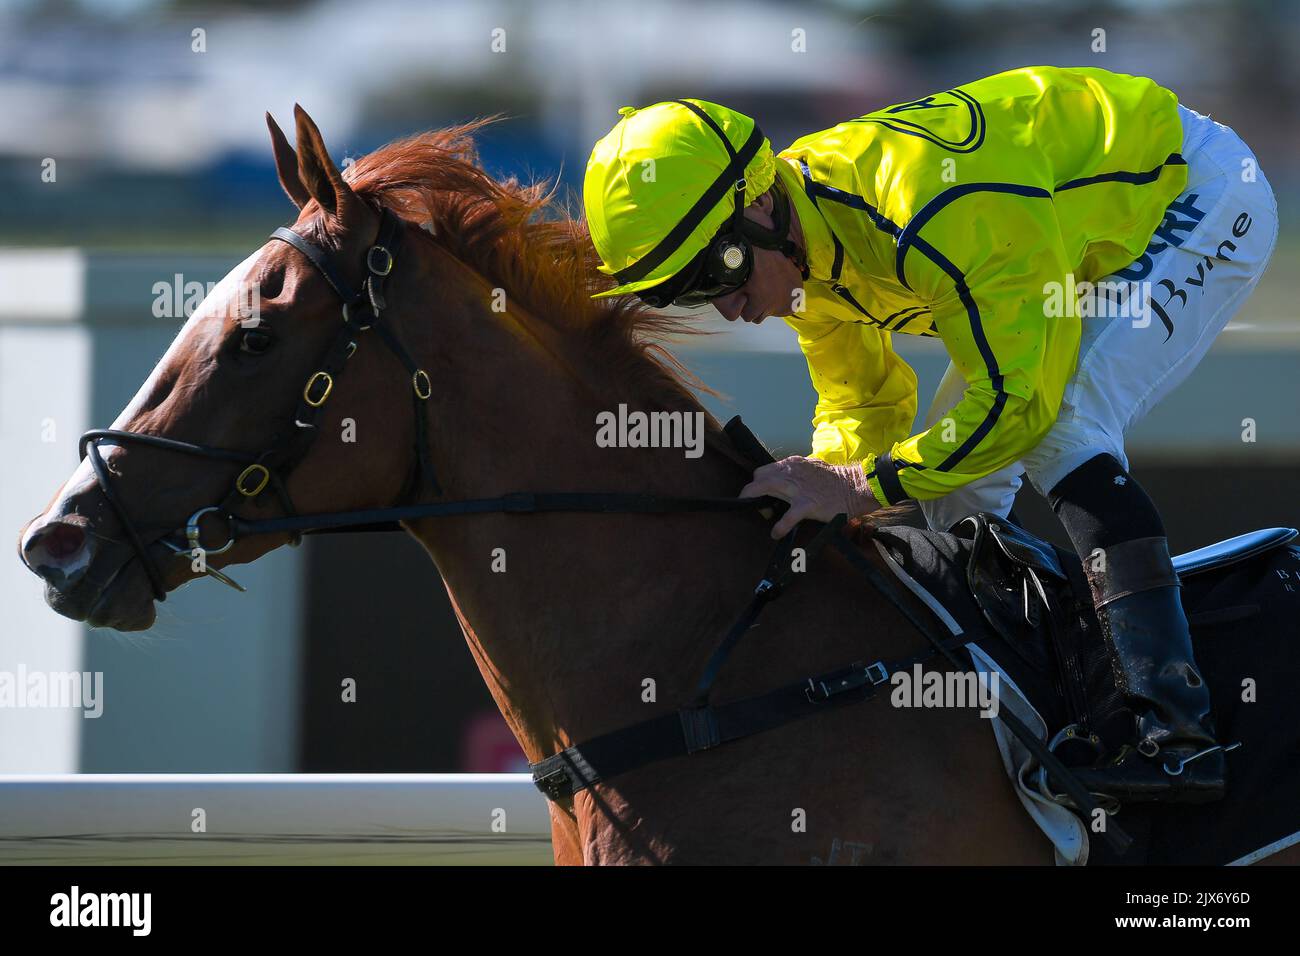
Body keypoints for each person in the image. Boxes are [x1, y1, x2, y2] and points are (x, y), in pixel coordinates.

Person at [581, 66, 1278, 803]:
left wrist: (857, 487)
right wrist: (815, 496)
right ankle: (1059, 705)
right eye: (686, 293)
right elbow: (866, 405)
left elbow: (1017, 405)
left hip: (1196, 190)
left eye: (714, 272)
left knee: (1064, 426)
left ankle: (1175, 735)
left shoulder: (932, 209)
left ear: (760, 203)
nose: (725, 310)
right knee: (963, 495)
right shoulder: (805, 253)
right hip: (1071, 231)